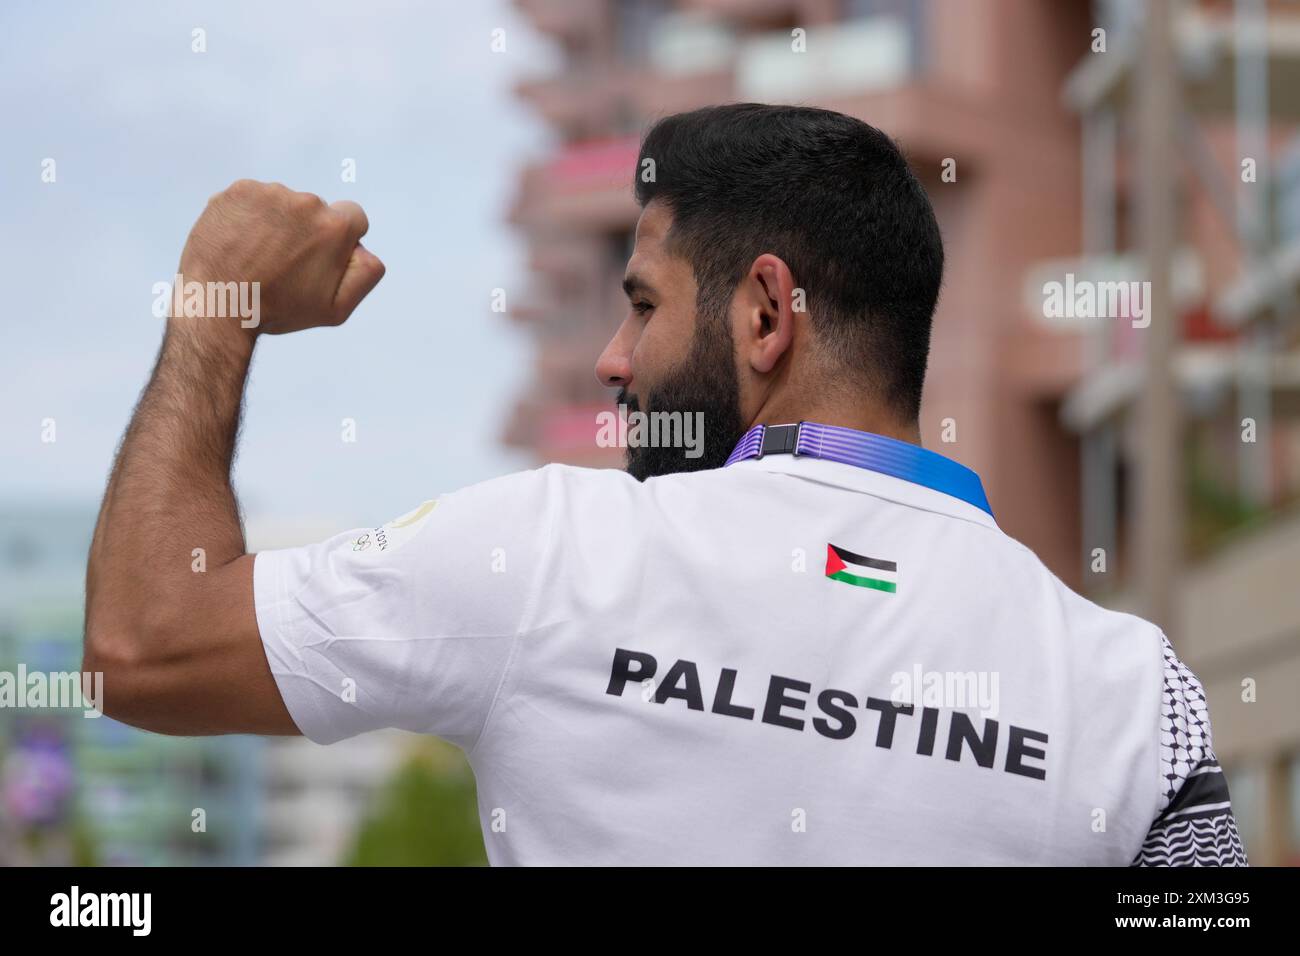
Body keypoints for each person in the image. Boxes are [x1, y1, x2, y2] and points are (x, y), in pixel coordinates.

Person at [84, 103, 1246, 866]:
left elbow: (139, 645)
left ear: (762, 313)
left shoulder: (545, 554)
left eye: (641, 301)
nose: (611, 357)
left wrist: (214, 300)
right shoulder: (1134, 696)